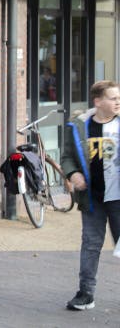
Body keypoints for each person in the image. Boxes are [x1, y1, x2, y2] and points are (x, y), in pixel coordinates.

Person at [61, 80, 120, 311]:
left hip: (118, 199)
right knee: (90, 245)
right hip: (93, 199)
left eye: (118, 98)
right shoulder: (79, 126)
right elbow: (67, 156)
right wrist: (73, 173)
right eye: (113, 98)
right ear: (98, 101)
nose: (118, 102)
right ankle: (86, 293)